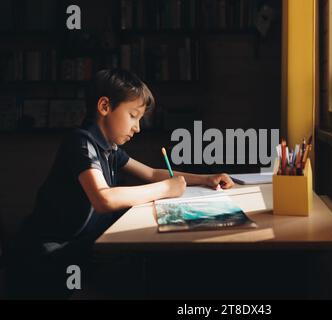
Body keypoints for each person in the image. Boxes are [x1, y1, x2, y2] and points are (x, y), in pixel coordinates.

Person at [6, 69, 234, 299]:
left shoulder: (109, 148)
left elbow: (153, 173)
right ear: (105, 107)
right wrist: (166, 189)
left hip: (77, 248)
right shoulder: (81, 142)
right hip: (46, 257)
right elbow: (103, 198)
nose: (138, 127)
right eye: (133, 116)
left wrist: (206, 179)